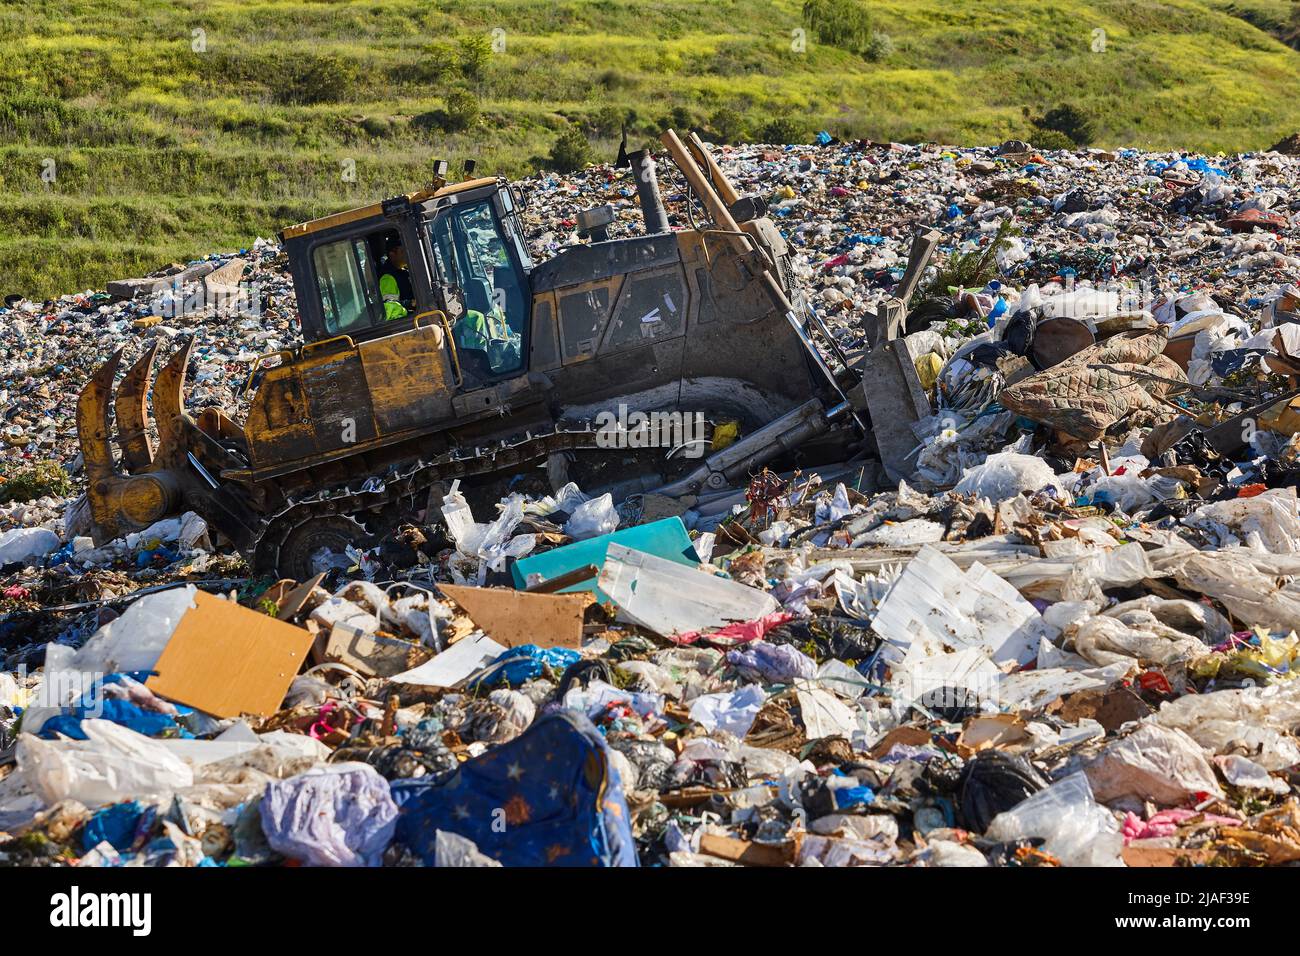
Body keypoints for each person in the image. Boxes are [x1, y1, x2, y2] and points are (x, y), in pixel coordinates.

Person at [379, 236, 413, 320]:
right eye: (402, 251)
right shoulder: (387, 278)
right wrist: (410, 303)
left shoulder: (405, 270)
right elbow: (391, 308)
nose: (406, 253)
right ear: (392, 254)